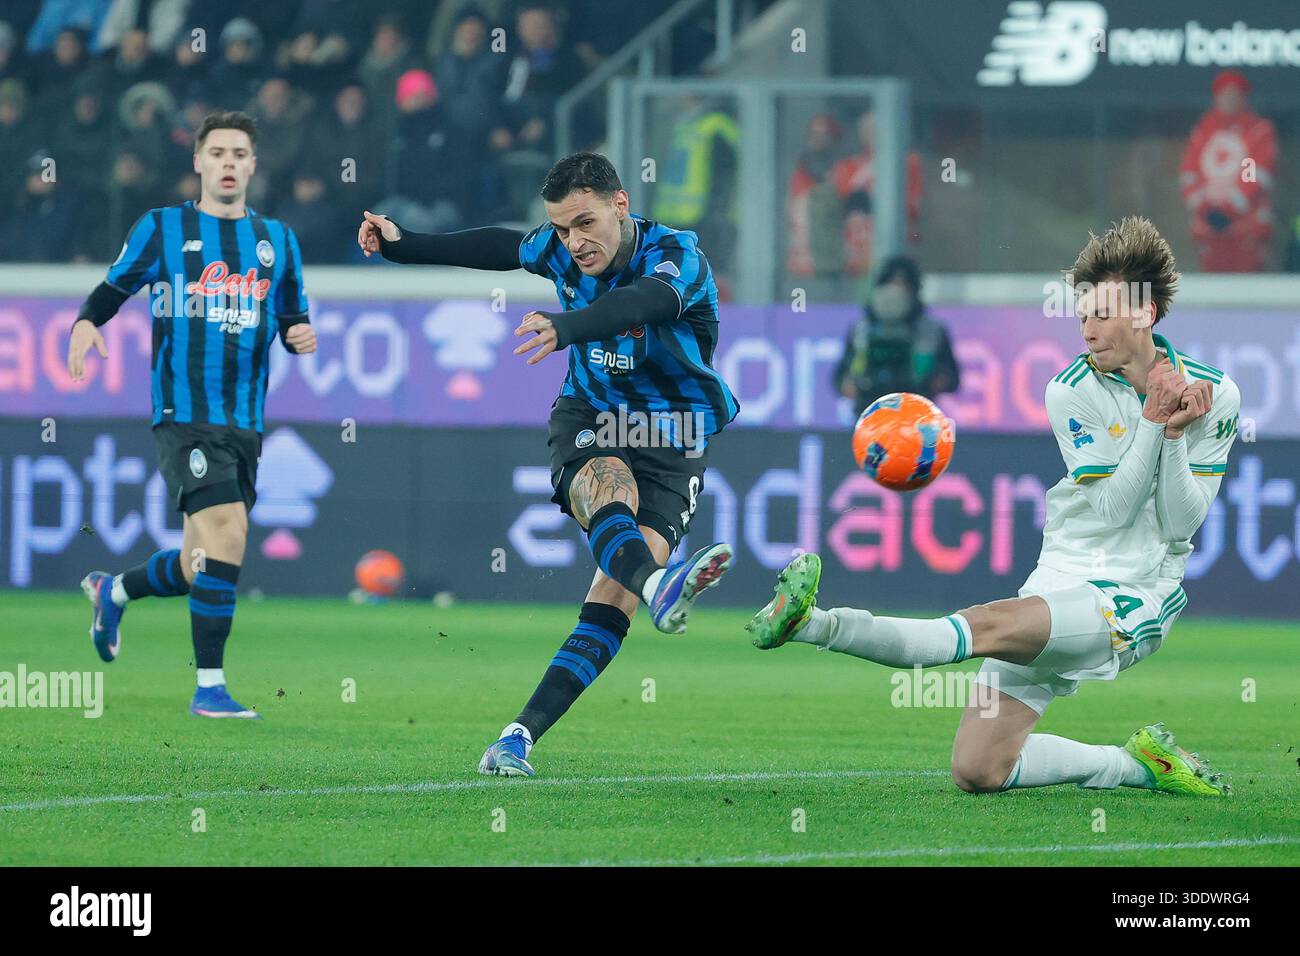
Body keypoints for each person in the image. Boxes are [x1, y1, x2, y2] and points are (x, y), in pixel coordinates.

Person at [748, 217, 1239, 798]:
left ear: (1145, 314)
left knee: (984, 625)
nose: (1086, 331)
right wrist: (1158, 422)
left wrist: (1174, 433)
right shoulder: (1070, 389)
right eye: (1081, 316)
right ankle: (1140, 767)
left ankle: (814, 625)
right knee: (981, 768)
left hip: (1133, 593)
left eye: (1101, 315)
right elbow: (1110, 506)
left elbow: (1181, 524)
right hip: (1060, 574)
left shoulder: (1216, 394)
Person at [357, 152, 739, 777]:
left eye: (585, 223)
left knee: (612, 590)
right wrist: (406, 246)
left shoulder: (679, 258)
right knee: (607, 489)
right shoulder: (561, 248)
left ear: (621, 205)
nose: (573, 242)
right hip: (592, 413)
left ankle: (515, 737)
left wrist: (567, 327)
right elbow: (503, 247)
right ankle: (661, 587)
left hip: (675, 432)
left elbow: (639, 305)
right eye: (562, 228)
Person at [66, 110, 318, 719]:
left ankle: (114, 590)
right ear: (198, 162)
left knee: (198, 560)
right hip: (183, 412)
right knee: (229, 528)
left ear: (253, 165)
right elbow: (113, 287)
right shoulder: (162, 228)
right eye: (218, 152)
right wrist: (84, 324)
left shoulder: (278, 241)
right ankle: (209, 686)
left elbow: (290, 317)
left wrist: (300, 335)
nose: (229, 163)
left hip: (245, 421)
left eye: (239, 153)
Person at [832, 254, 959, 416]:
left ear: (914, 290)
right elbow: (840, 378)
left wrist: (935, 380)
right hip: (871, 415)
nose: (895, 294)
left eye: (903, 286)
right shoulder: (861, 330)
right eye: (890, 284)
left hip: (916, 417)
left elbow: (952, 378)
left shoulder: (931, 331)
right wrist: (854, 385)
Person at [1179, 70, 1278, 273]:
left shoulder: (1256, 130)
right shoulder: (1204, 129)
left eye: (1234, 95)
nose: (1229, 100)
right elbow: (1189, 171)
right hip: (1209, 226)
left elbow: (1254, 173)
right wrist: (1202, 204)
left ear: (1244, 97)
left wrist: (1231, 206)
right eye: (1224, 94)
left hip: (1246, 227)